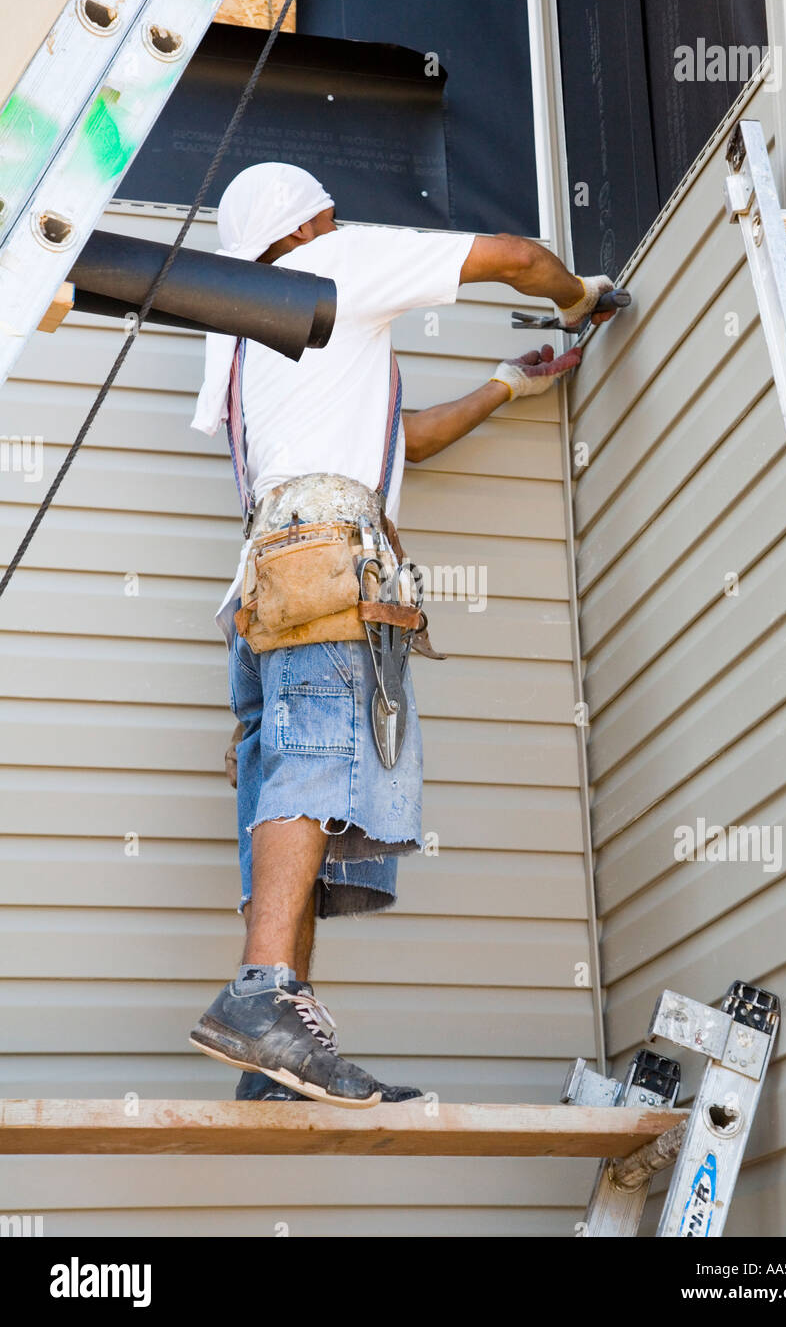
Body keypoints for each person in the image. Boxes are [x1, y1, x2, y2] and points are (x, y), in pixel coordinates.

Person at [189, 162, 615, 1108]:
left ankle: (275, 1058)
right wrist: (580, 298)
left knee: (284, 795)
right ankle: (262, 995)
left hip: (268, 583)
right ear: (303, 228)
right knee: (317, 763)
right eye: (330, 214)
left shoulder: (258, 335)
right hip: (327, 563)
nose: (341, 223)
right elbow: (517, 258)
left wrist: (504, 386)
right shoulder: (329, 268)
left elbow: (398, 440)